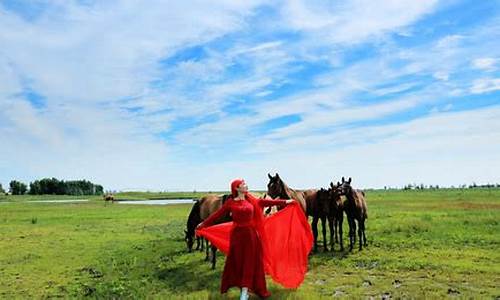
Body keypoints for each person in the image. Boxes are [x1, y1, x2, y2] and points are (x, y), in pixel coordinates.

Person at [196, 178, 311, 299]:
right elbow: (216, 216)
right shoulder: (230, 203)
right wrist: (203, 225)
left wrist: (287, 202)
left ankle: (244, 293)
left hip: (251, 237)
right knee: (238, 264)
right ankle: (242, 287)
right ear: (237, 188)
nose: (246, 186)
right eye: (243, 184)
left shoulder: (252, 201)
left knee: (249, 264)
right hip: (237, 237)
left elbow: (268, 203)